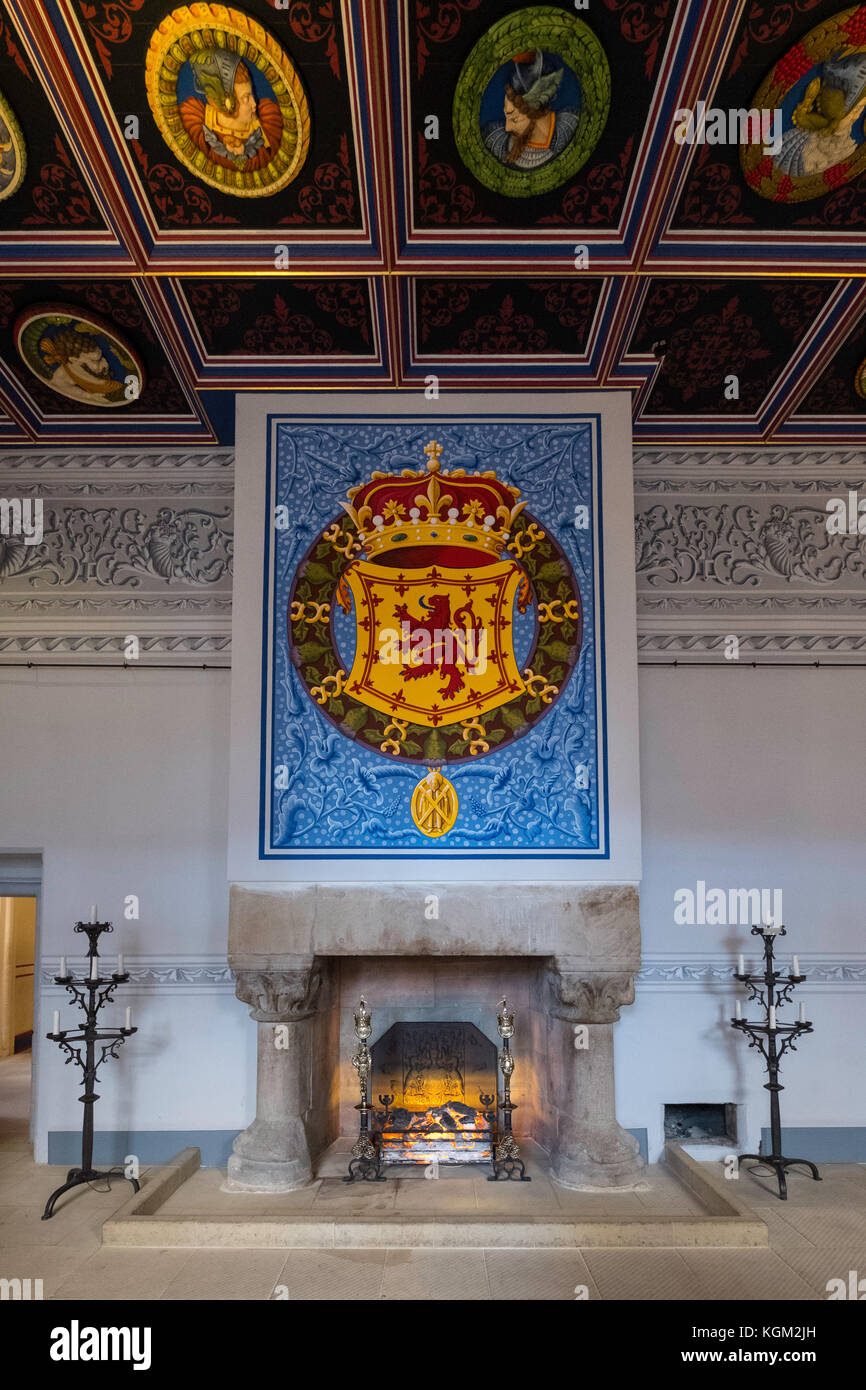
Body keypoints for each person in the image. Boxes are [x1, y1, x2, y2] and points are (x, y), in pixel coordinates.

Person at [178, 49, 282, 172]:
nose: (255, 104)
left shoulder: (269, 125)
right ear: (228, 104)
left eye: (252, 95)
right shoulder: (194, 119)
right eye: (246, 98)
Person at [482, 49, 579, 170]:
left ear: (534, 113)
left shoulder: (570, 124)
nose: (507, 128)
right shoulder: (497, 141)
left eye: (514, 118)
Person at [776, 50, 866, 178]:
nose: (854, 112)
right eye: (857, 108)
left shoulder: (845, 143)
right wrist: (807, 102)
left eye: (858, 108)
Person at [39, 327, 124, 403]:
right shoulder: (64, 373)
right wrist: (88, 396)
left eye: (101, 358)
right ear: (74, 360)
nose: (105, 364)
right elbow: (58, 384)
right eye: (95, 361)